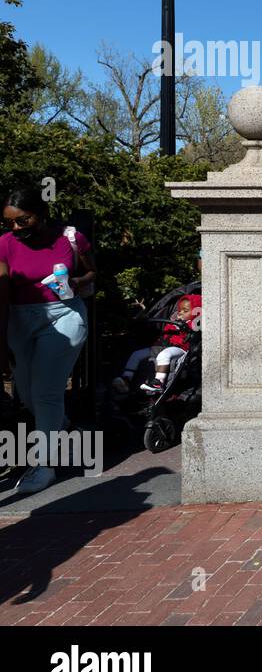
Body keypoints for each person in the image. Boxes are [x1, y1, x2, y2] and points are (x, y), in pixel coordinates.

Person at [0, 188, 97, 494]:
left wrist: (75, 282)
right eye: (10, 223)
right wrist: (1, 338)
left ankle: (44, 466)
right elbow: (2, 293)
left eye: (23, 220)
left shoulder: (71, 238)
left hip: (63, 316)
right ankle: (64, 428)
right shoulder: (4, 244)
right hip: (20, 319)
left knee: (45, 393)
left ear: (40, 214)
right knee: (28, 395)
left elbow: (93, 272)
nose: (17, 228)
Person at [112, 293, 201, 395]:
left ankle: (158, 383)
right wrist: (173, 322)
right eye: (179, 310)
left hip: (181, 348)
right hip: (164, 346)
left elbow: (193, 332)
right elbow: (166, 332)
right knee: (136, 354)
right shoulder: (175, 319)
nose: (180, 313)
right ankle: (126, 379)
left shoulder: (195, 323)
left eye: (185, 311)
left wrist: (184, 325)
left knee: (164, 355)